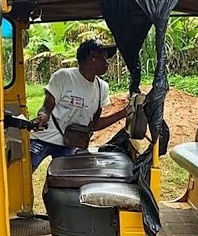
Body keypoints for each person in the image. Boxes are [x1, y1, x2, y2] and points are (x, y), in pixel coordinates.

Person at [30, 40, 130, 172]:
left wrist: (124, 113)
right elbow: (47, 107)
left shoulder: (102, 87)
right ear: (92, 55)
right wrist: (42, 116)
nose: (107, 62)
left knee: (65, 180)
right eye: (104, 57)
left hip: (70, 144)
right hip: (43, 138)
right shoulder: (64, 76)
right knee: (21, 175)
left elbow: (94, 124)